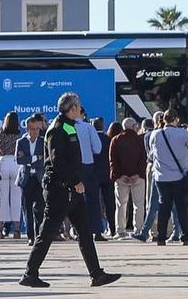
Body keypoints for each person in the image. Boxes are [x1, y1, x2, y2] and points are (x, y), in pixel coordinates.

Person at [19, 92, 120, 287]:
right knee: (47, 232)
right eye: (78, 107)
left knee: (84, 231)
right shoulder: (57, 129)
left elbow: (71, 157)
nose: (80, 110)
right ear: (71, 109)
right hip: (60, 189)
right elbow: (58, 162)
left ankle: (96, 273)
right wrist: (75, 181)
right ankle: (30, 273)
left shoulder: (68, 126)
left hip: (70, 190)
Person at [149, 112, 188, 245]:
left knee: (164, 207)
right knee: (182, 207)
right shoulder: (183, 134)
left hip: (161, 176)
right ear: (176, 119)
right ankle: (186, 236)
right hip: (180, 176)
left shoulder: (155, 134)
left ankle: (161, 237)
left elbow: (151, 154)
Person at [108, 117, 147, 236]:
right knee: (139, 205)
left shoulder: (115, 140)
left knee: (120, 205)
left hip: (121, 178)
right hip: (138, 178)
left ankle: (120, 231)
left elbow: (112, 160)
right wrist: (138, 174)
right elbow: (144, 158)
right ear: (134, 126)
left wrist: (120, 175)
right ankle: (138, 229)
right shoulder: (140, 140)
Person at [76, 113, 109, 237]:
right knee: (93, 199)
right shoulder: (88, 128)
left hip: (73, 167)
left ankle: (78, 231)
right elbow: (97, 148)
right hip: (87, 166)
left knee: (75, 200)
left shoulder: (65, 127)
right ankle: (97, 231)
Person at [16, 113, 48, 240]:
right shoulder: (21, 142)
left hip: (39, 179)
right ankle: (30, 237)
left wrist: (29, 159)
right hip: (26, 179)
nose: (35, 132)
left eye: (37, 129)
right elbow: (19, 160)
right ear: (27, 129)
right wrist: (35, 157)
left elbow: (44, 159)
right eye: (32, 129)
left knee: (39, 208)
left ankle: (39, 234)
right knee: (27, 209)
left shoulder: (42, 142)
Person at [0, 112, 21, 238]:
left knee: (2, 198)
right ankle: (16, 230)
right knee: (17, 197)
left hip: (3, 162)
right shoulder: (19, 135)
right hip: (16, 163)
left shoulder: (0, 134)